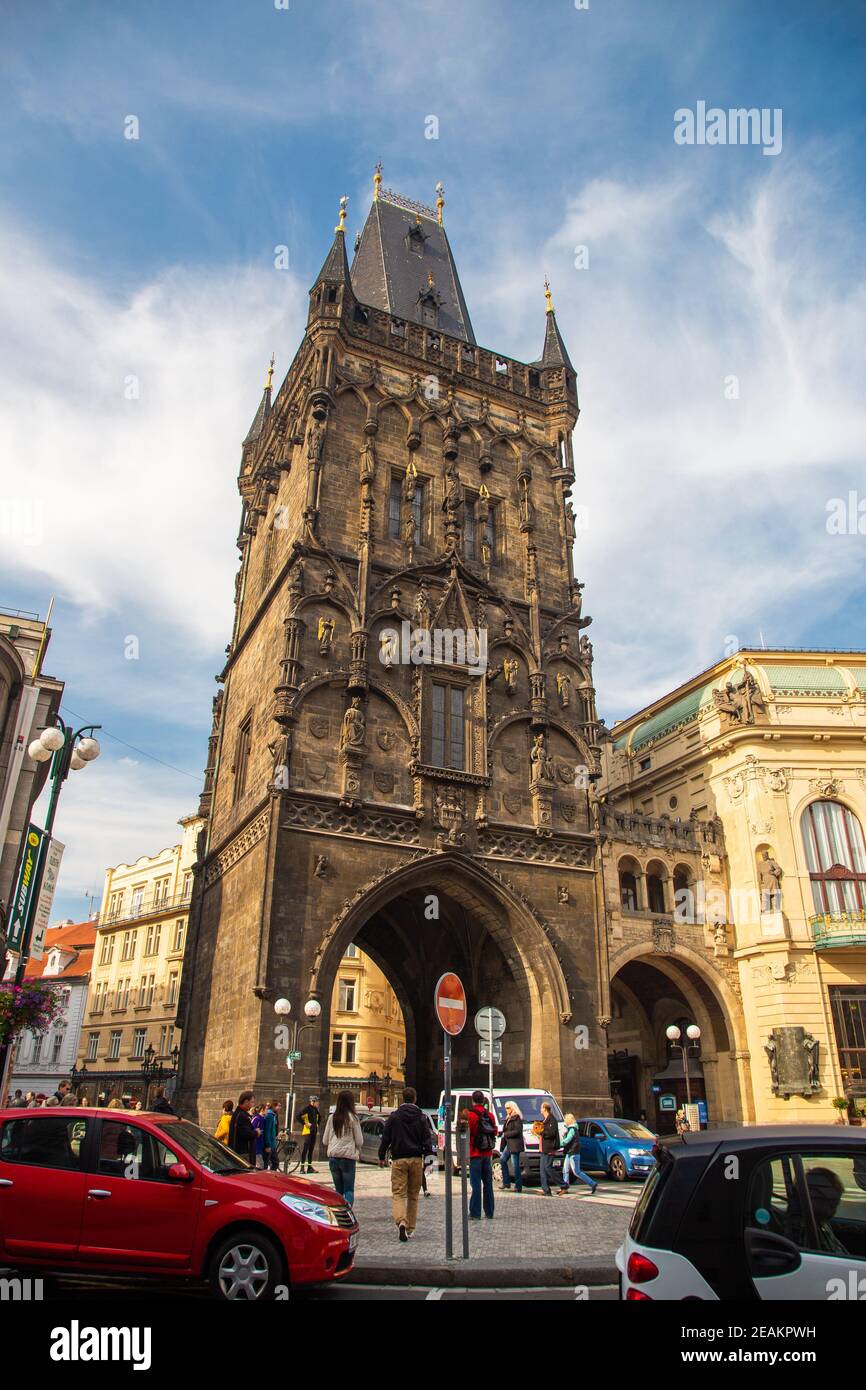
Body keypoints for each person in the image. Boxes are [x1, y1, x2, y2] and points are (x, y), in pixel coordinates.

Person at [378, 1086, 434, 1242]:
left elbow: (386, 1138)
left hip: (398, 1159)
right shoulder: (421, 1117)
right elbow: (426, 1139)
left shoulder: (394, 1117)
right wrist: (429, 1158)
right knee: (413, 1196)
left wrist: (381, 1155)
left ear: (403, 1099)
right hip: (416, 1159)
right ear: (415, 1098)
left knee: (398, 1194)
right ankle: (410, 1229)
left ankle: (401, 1221)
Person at [322, 1090, 363, 1207]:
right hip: (348, 1158)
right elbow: (360, 1141)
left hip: (334, 1157)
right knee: (348, 1189)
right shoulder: (353, 1118)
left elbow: (325, 1140)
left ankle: (338, 1213)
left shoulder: (332, 1118)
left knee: (338, 1190)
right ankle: (347, 1212)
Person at [465, 1090, 498, 1220]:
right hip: (487, 1153)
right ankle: (489, 1212)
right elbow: (494, 1131)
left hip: (475, 1153)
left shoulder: (471, 1115)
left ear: (473, 1100)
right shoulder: (490, 1115)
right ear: (483, 1101)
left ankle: (475, 1212)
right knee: (488, 1184)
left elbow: (469, 1133)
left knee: (476, 1184)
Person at [558, 1113, 596, 1195]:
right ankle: (565, 1187)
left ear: (568, 1120)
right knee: (565, 1170)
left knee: (576, 1171)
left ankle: (592, 1183)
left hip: (573, 1152)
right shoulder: (571, 1129)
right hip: (570, 1152)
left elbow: (568, 1140)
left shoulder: (572, 1129)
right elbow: (569, 1140)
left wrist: (560, 1143)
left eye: (565, 1119)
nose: (564, 1121)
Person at [500, 1101, 525, 1193]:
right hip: (509, 1143)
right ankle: (506, 1182)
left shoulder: (517, 1118)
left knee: (515, 1166)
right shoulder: (508, 1118)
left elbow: (517, 1131)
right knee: (502, 1160)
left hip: (514, 1144)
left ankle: (518, 1186)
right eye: (506, 1108)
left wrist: (506, 1134)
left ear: (512, 1108)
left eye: (508, 1108)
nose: (506, 1110)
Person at [538, 1101, 560, 1196]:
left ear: (544, 1109)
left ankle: (563, 1184)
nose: (540, 1109)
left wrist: (541, 1132)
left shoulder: (552, 1120)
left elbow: (551, 1133)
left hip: (549, 1147)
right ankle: (546, 1189)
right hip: (543, 1147)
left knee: (548, 1167)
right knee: (542, 1169)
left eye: (541, 1108)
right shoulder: (545, 1119)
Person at [228, 1090, 257, 1164]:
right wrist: (256, 1132)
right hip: (242, 1153)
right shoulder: (241, 1115)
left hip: (240, 1152)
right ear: (246, 1101)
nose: (253, 1104)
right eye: (252, 1102)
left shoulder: (240, 1113)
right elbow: (246, 1134)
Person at [297, 1095, 321, 1173]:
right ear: (312, 1102)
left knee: (311, 1150)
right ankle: (302, 1168)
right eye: (317, 1101)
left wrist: (317, 1123)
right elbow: (298, 1116)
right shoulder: (307, 1109)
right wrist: (305, 1123)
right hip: (307, 1132)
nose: (318, 1103)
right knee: (305, 1149)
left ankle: (309, 1167)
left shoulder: (315, 1109)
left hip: (314, 1131)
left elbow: (319, 1117)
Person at [264, 1099, 280, 1169]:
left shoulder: (273, 1115)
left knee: (274, 1162)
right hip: (270, 1144)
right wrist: (267, 1144)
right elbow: (267, 1131)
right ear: (273, 1106)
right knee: (272, 1163)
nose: (280, 1107)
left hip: (272, 1143)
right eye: (278, 1106)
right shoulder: (270, 1116)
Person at [251, 1103, 267, 1168]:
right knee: (260, 1166)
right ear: (262, 1110)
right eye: (266, 1109)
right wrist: (257, 1131)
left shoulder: (262, 1118)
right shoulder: (257, 1118)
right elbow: (251, 1128)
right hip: (256, 1146)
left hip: (260, 1145)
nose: (267, 1111)